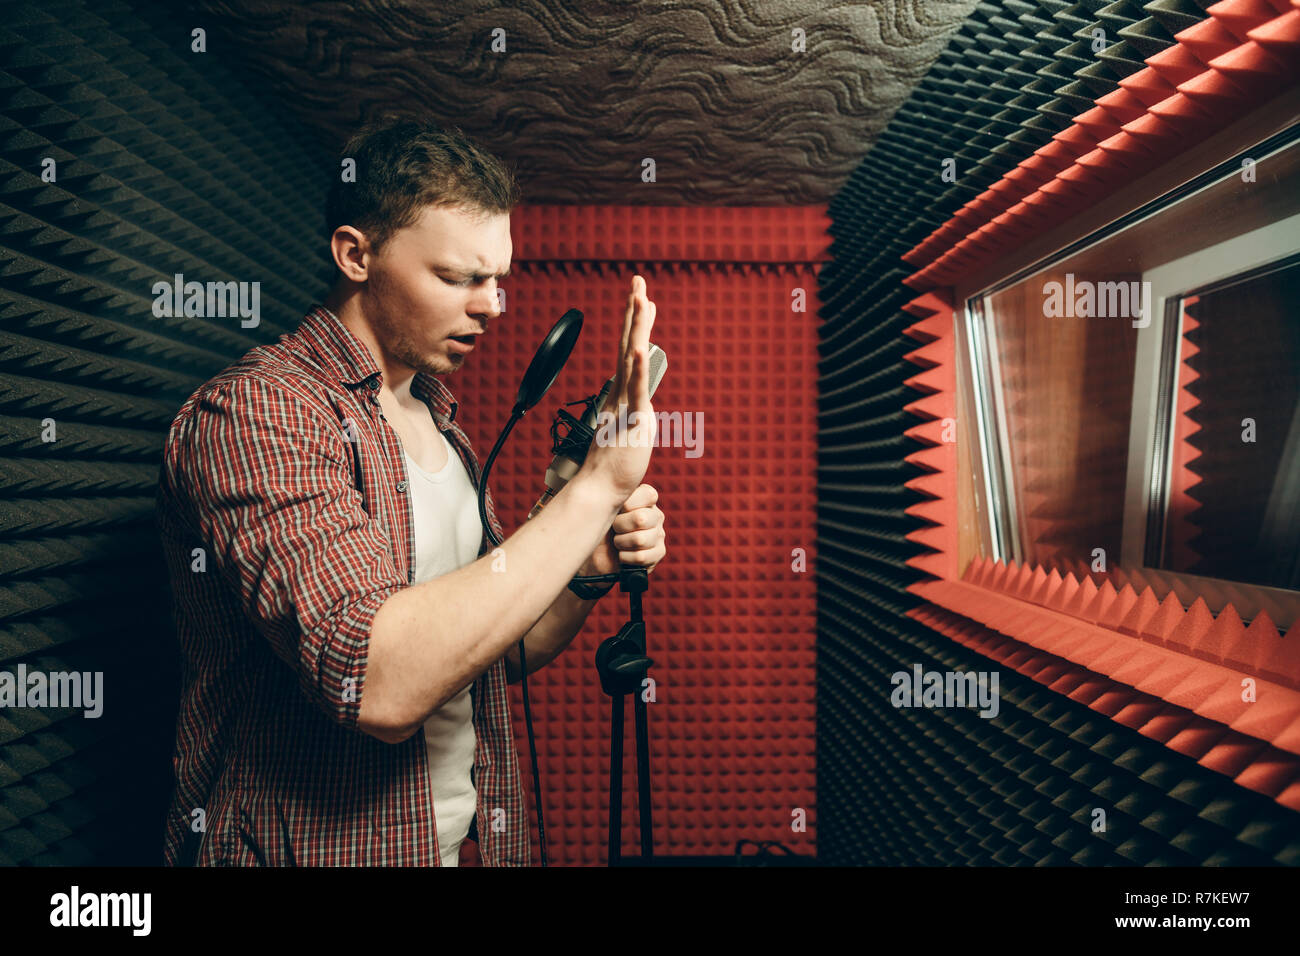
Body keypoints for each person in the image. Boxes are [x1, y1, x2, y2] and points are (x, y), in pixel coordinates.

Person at [155, 117, 666, 866]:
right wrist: (594, 490)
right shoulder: (259, 413)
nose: (493, 306)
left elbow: (498, 651)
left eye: (498, 279)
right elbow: (379, 684)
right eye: (459, 278)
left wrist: (586, 563)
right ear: (355, 255)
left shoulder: (442, 425)